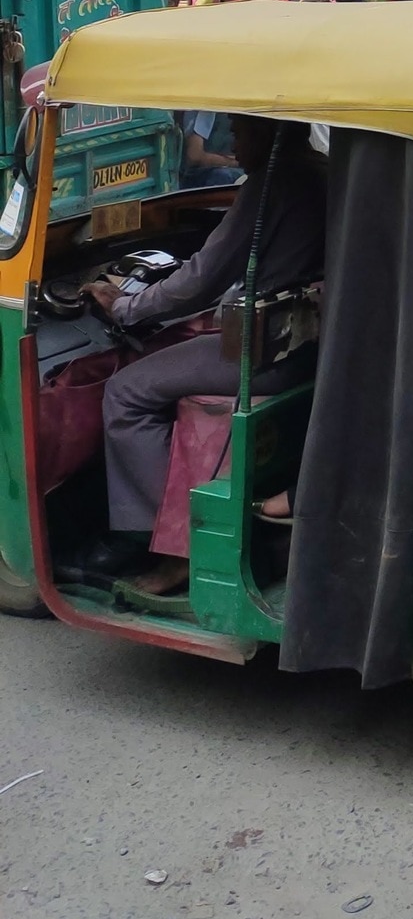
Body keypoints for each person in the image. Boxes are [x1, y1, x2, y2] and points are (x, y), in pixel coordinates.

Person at [74, 115, 327, 597]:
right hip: (307, 346)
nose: (232, 142)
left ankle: (180, 548)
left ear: (267, 132)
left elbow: (201, 279)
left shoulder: (272, 183)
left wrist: (127, 306)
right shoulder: (324, 170)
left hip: (268, 352)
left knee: (125, 391)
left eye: (238, 130)